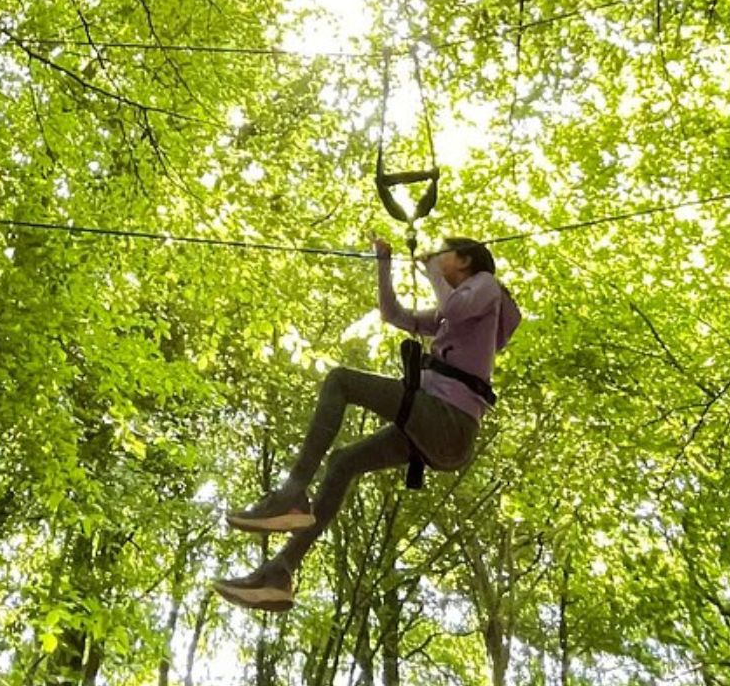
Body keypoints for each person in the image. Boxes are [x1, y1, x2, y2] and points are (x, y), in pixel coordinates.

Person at [215, 235, 522, 611]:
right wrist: (384, 263)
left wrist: (431, 271)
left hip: (448, 421)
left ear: (464, 260)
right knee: (343, 462)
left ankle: (292, 493)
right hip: (435, 428)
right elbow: (395, 315)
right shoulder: (456, 311)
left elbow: (454, 308)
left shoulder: (486, 286)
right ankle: (281, 571)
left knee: (340, 381)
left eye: (443, 252)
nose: (436, 257)